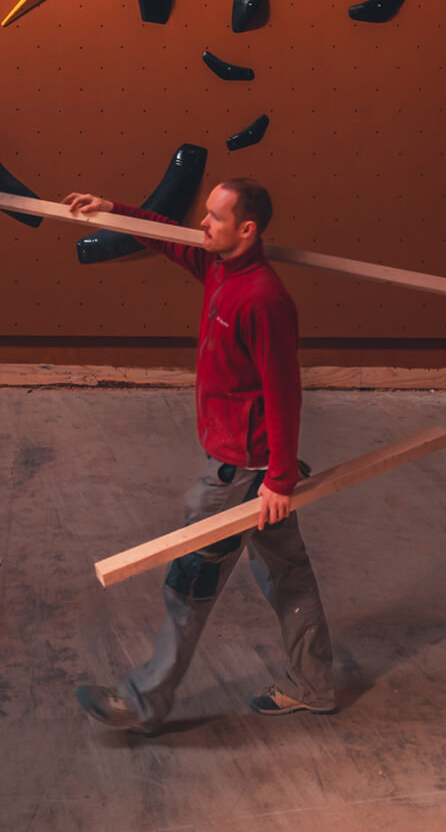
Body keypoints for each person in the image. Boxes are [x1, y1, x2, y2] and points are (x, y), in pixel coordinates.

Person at [60, 177, 338, 733]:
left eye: (214, 217)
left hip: (241, 476)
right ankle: (315, 685)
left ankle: (143, 703)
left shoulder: (263, 299)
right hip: (248, 468)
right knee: (290, 577)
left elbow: (284, 393)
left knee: (190, 585)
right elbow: (164, 236)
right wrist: (113, 209)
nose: (203, 224)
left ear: (247, 228)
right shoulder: (219, 266)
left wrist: (279, 480)